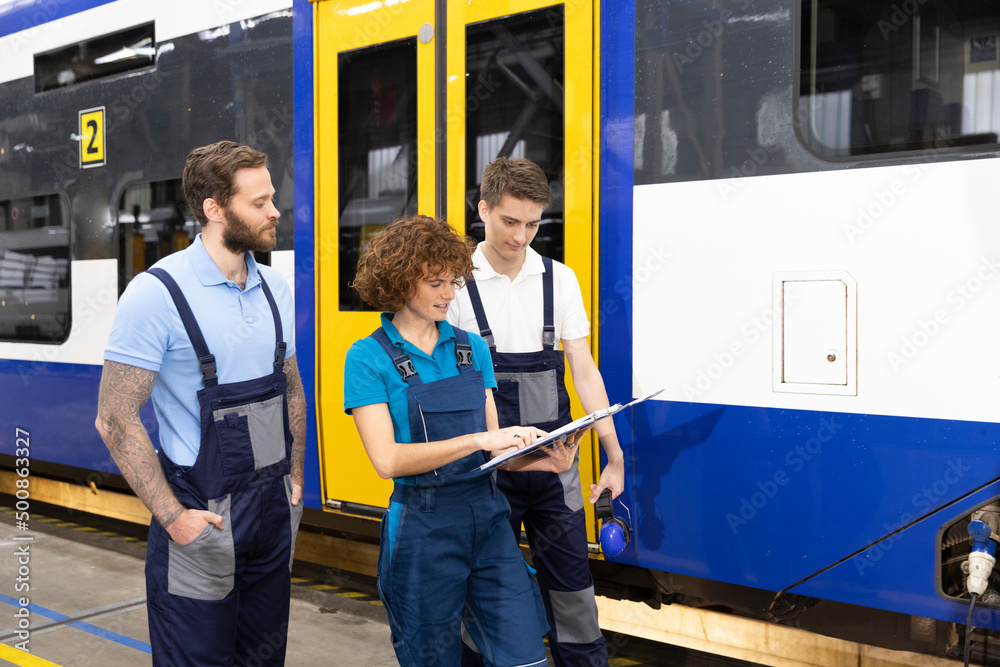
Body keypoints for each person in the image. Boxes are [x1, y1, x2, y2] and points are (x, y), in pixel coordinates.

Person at [95, 141, 305, 666]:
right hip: (201, 513)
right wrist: (172, 517)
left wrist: (296, 478)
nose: (275, 211)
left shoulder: (275, 287)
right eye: (259, 203)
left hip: (274, 507)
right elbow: (115, 419)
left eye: (272, 198)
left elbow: (292, 388)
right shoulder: (156, 294)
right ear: (215, 209)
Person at [344, 214, 582, 667]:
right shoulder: (368, 357)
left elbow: (494, 453)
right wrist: (479, 438)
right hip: (422, 528)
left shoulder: (471, 349)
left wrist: (539, 461)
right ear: (398, 282)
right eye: (436, 284)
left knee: (527, 655)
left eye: (454, 282)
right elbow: (388, 460)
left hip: (489, 520)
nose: (450, 295)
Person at [448, 157, 625, 667]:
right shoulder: (455, 285)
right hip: (488, 477)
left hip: (557, 472)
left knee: (574, 598)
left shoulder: (559, 279)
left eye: (532, 223)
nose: (521, 236)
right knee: (488, 600)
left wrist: (611, 455)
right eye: (509, 221)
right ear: (482, 209)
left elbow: (585, 372)